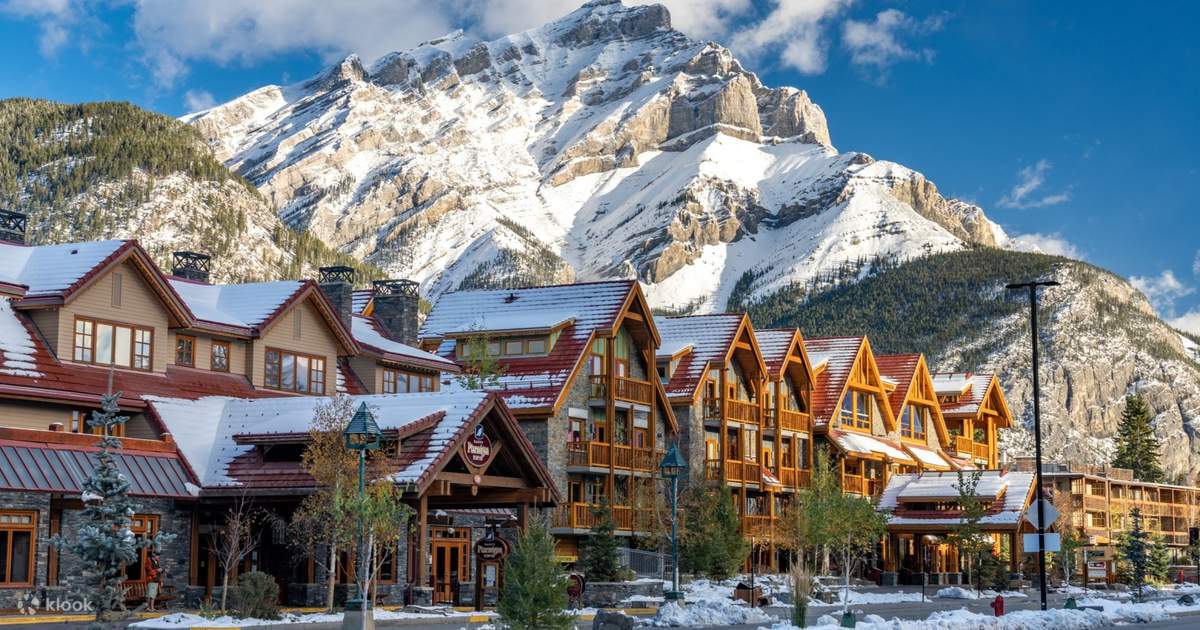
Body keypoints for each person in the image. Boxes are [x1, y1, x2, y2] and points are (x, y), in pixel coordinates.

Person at [145, 547, 162, 611]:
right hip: (151, 579)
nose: (158, 557)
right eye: (158, 556)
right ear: (154, 556)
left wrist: (161, 570)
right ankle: (148, 608)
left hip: (156, 580)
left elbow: (157, 570)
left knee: (153, 595)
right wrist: (157, 570)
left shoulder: (156, 562)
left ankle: (152, 607)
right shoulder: (149, 561)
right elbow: (149, 571)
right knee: (150, 594)